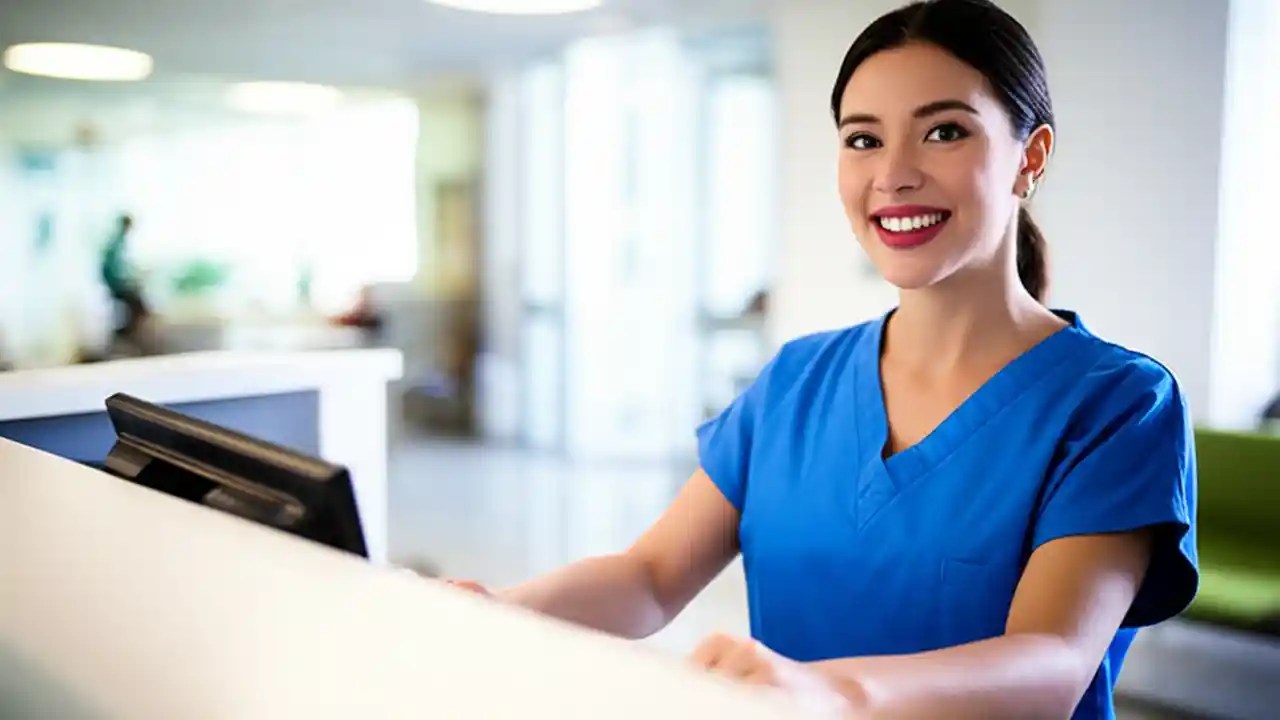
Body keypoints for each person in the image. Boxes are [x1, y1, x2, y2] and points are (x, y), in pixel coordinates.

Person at [447, 1, 1198, 717]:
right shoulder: (796, 382)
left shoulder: (1117, 405)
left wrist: (826, 695)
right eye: (863, 139)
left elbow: (1053, 665)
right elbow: (649, 578)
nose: (893, 173)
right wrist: (498, 613)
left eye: (943, 133)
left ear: (1029, 157)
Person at [100, 214, 151, 341]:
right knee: (140, 308)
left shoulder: (118, 242)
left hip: (116, 284)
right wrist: (129, 280)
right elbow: (117, 268)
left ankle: (127, 334)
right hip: (117, 285)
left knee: (137, 309)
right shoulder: (117, 243)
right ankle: (125, 336)